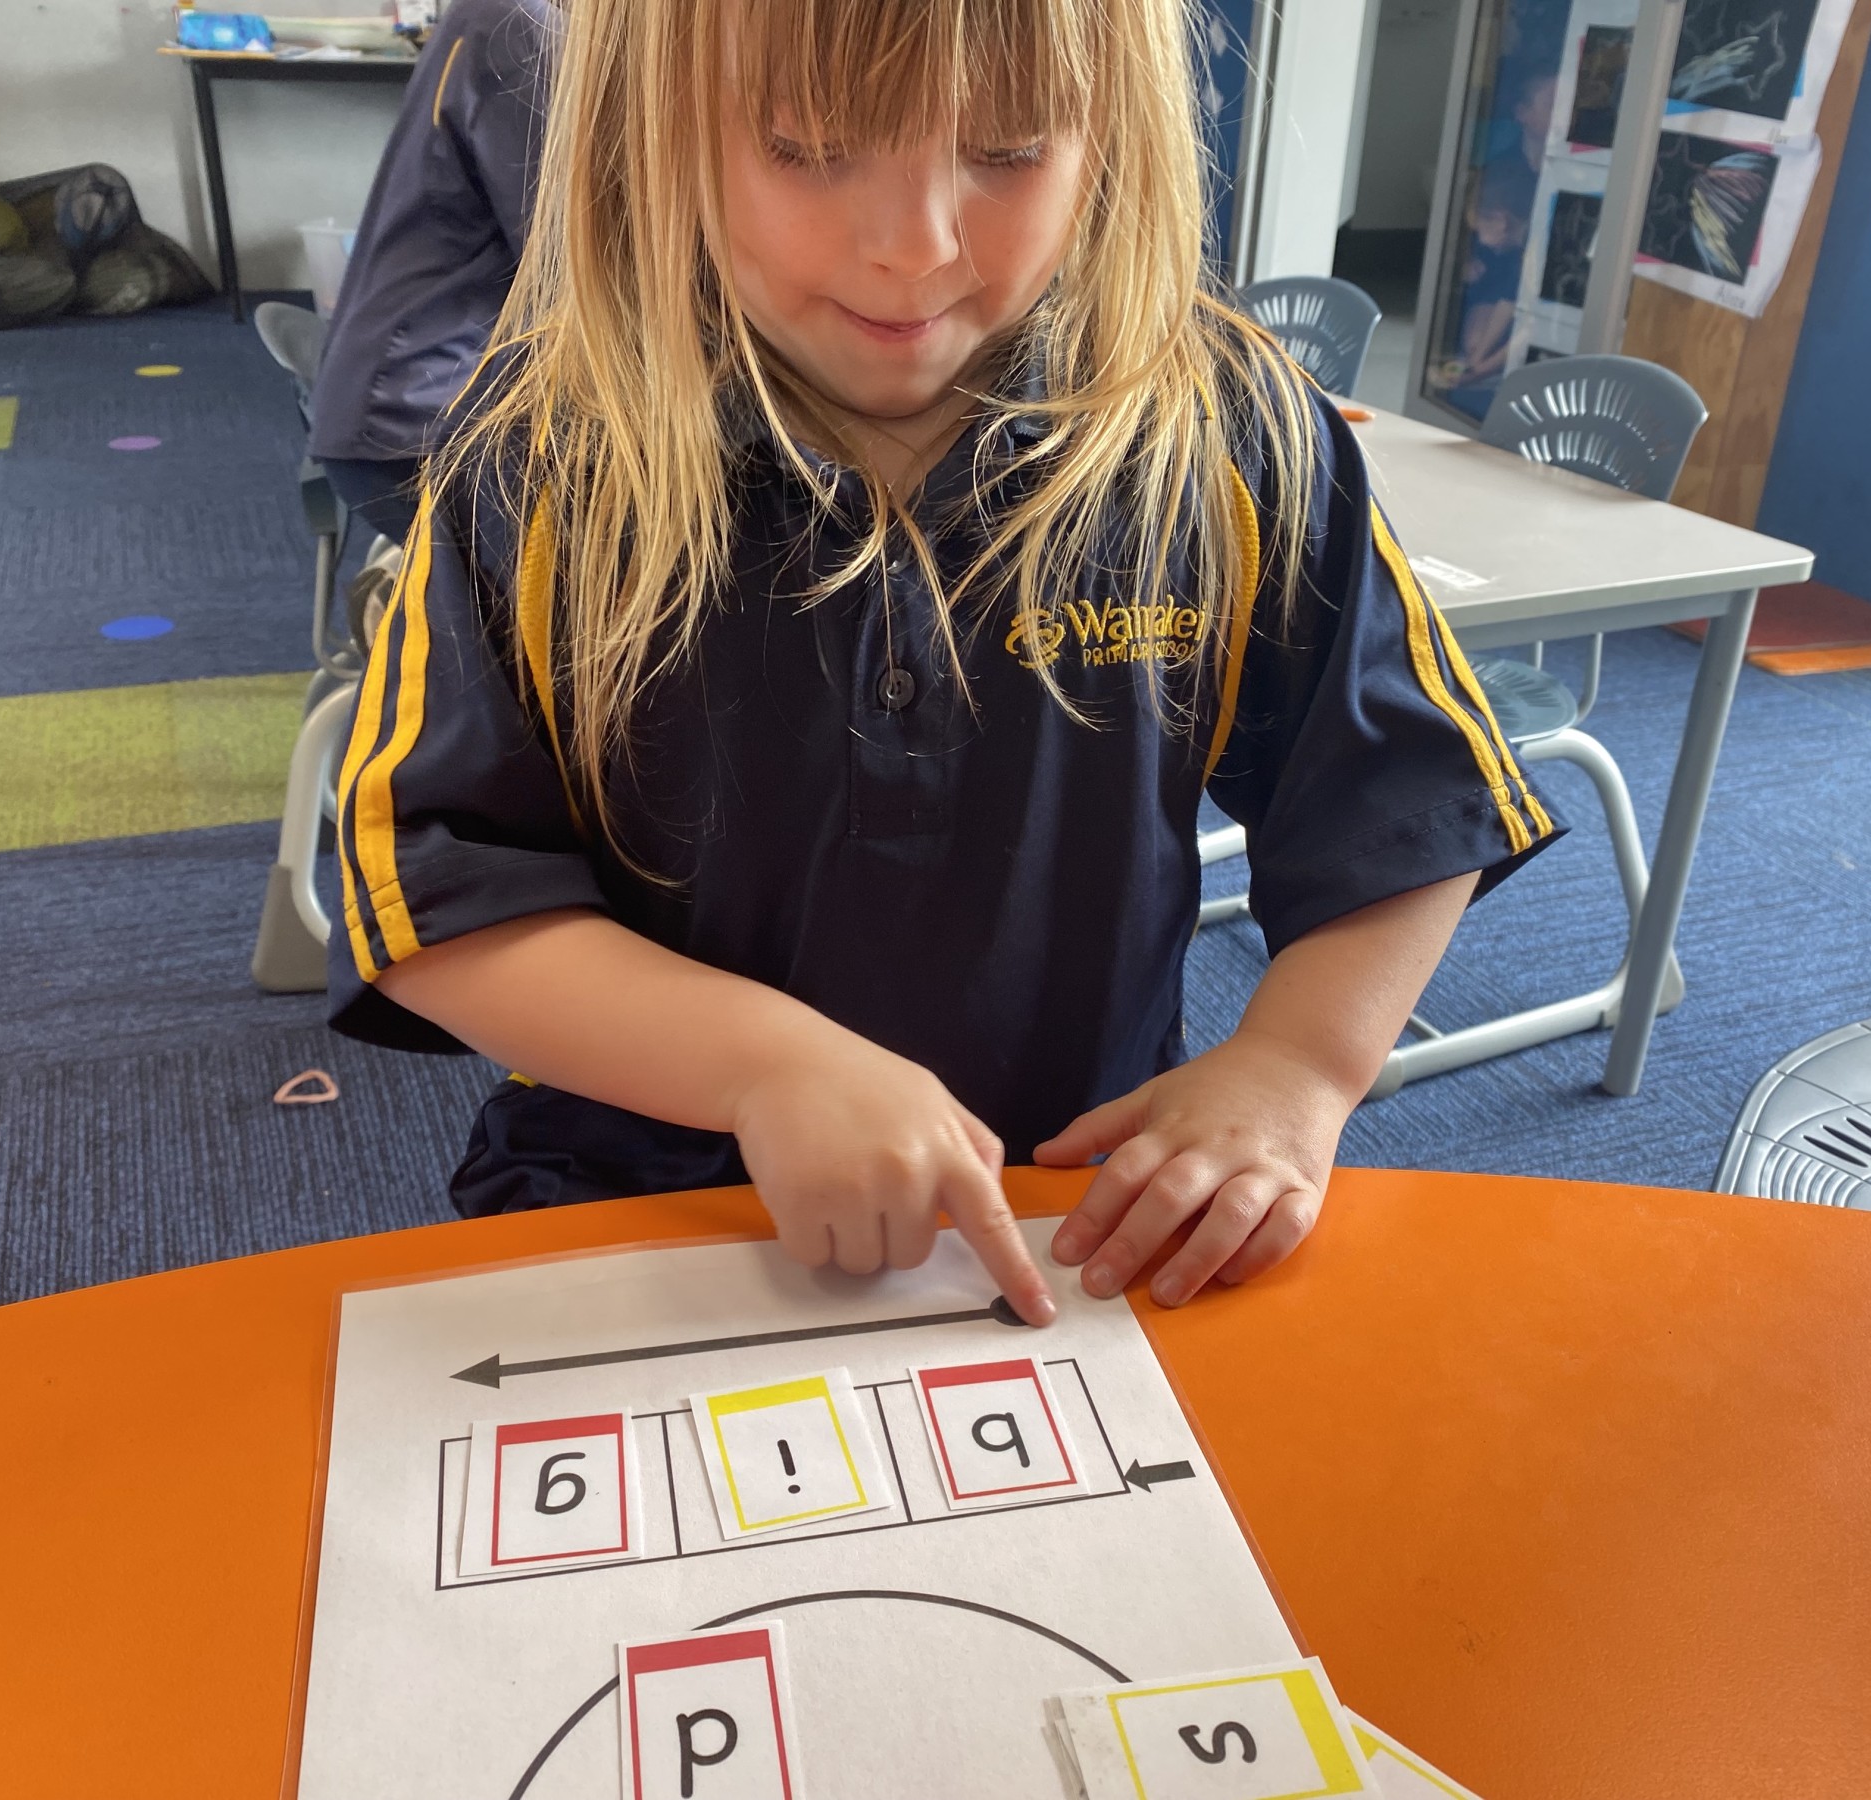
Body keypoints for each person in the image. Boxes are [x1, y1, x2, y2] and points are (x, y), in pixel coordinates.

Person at [329, 0, 1559, 1326]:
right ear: (658, 127)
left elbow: (1410, 805)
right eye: (804, 149)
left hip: (1067, 1224)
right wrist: (764, 1071)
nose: (914, 252)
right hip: (640, 1209)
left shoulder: (1231, 426)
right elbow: (432, 899)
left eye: (1013, 146)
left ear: (1114, 132)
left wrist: (1298, 1071)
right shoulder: (541, 458)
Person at [308, 0, 559, 545]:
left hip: (426, 397)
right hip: (418, 421)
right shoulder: (518, 29)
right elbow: (571, 261)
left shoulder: (511, 21)